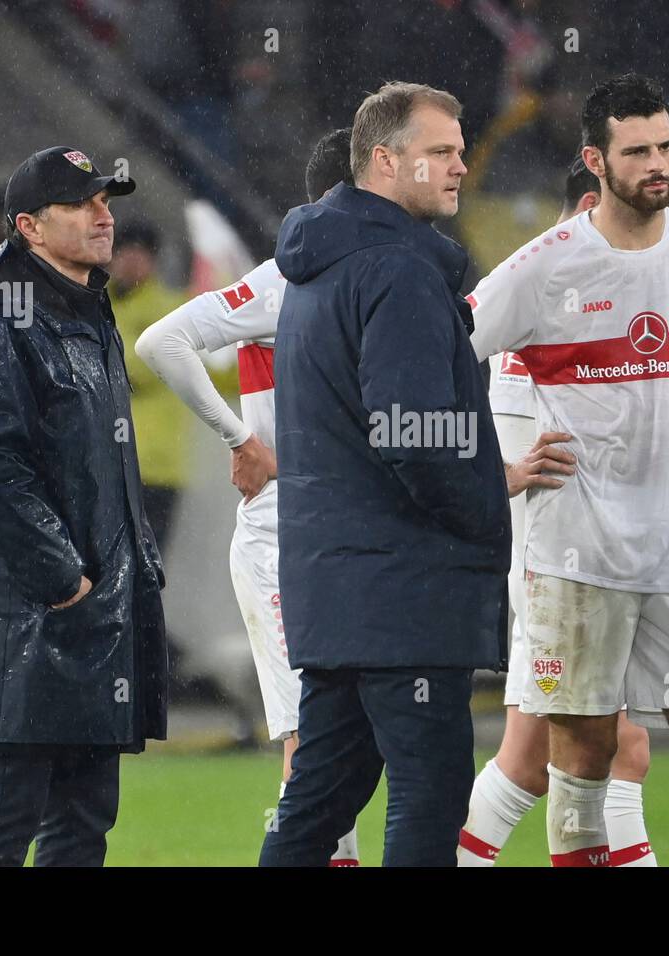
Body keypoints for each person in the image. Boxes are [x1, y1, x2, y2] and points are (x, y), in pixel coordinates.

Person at [468, 73, 669, 867]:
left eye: (667, 147)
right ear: (595, 159)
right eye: (638, 150)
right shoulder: (544, 267)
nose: (658, 164)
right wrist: (497, 471)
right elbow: (431, 369)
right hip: (573, 567)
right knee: (575, 770)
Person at [258, 82, 523, 867]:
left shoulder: (319, 265)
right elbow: (411, 433)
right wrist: (481, 512)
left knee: (317, 803)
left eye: (461, 150)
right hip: (402, 587)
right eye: (440, 152)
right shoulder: (398, 271)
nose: (460, 166)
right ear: (384, 161)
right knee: (430, 790)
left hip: (339, 582)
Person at [136, 128, 364, 865]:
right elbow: (161, 342)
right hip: (284, 540)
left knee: (360, 735)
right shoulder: (285, 280)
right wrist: (240, 439)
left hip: (359, 540)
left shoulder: (393, 282)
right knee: (314, 738)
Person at [0, 146, 168, 866]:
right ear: (30, 226)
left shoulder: (83, 305)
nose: (106, 216)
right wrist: (63, 580)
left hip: (89, 611)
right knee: (6, 822)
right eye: (85, 203)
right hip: (32, 620)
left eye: (108, 201)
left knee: (83, 821)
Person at [459, 156, 657, 867]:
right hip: (556, 581)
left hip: (565, 575)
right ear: (586, 205)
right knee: (615, 751)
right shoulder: (547, 305)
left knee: (533, 762)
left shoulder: (552, 305)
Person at [108, 221, 190, 546]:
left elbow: (139, 367)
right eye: (123, 252)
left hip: (153, 467)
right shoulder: (99, 303)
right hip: (107, 465)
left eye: (140, 253)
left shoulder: (168, 308)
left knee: (146, 570)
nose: (130, 260)